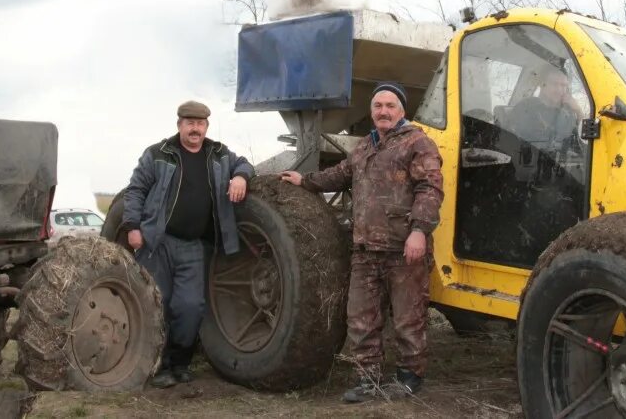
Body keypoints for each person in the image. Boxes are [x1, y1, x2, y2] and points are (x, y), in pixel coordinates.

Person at [281, 82, 443, 403]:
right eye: (378, 106)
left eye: (390, 106)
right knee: (361, 318)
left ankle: (409, 377)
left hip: (403, 250)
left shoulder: (418, 143)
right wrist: (305, 180)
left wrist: (419, 231)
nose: (383, 111)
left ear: (402, 111)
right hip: (365, 251)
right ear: (371, 112)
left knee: (409, 318)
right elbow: (339, 175)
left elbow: (430, 189)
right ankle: (368, 379)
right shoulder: (364, 148)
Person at [122, 100, 254, 388]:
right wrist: (132, 226)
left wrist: (241, 176)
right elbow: (136, 190)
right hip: (158, 242)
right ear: (179, 124)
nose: (195, 128)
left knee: (191, 307)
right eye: (189, 122)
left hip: (194, 245)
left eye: (200, 123)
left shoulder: (218, 154)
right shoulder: (158, 154)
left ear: (206, 126)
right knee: (159, 303)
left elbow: (244, 163)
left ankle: (180, 363)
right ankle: (156, 366)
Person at [509, 66, 581, 152]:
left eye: (563, 85)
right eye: (554, 84)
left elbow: (580, 145)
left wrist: (578, 111)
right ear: (542, 84)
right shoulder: (525, 108)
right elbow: (513, 143)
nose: (560, 90)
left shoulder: (567, 113)